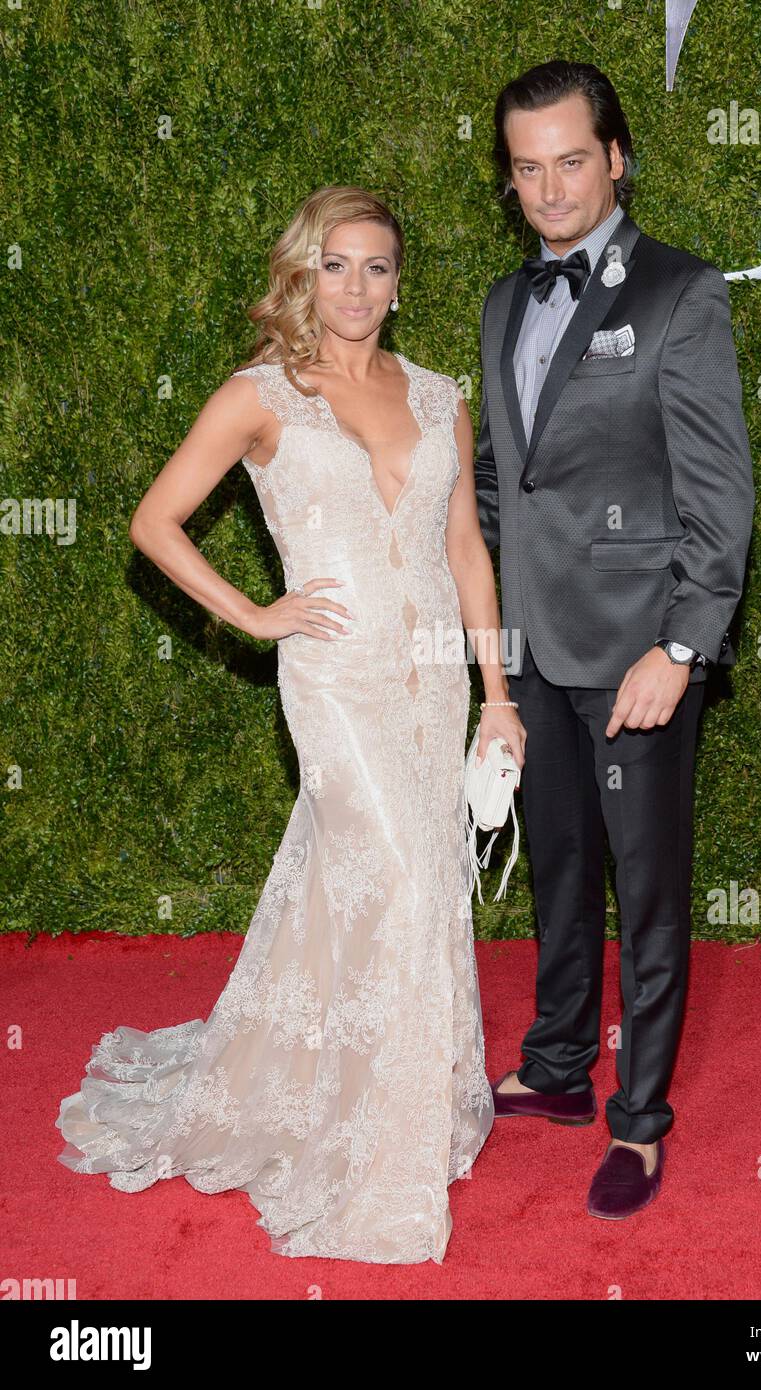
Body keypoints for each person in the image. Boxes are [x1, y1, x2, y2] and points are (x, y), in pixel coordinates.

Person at [55, 185, 526, 1265]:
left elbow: (465, 553)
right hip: (335, 682)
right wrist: (256, 614)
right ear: (303, 271)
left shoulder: (440, 394)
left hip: (431, 687)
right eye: (337, 264)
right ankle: (376, 1160)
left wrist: (498, 697)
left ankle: (364, 1085)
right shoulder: (260, 394)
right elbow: (153, 521)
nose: (358, 287)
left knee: (401, 888)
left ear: (401, 282)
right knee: (402, 885)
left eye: (379, 267)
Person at [475, 61, 755, 1218]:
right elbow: (501, 486)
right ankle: (555, 1069)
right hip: (535, 652)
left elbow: (720, 493)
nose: (548, 188)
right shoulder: (500, 301)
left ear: (617, 158)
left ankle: (639, 1120)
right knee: (556, 869)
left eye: (571, 161)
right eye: (526, 167)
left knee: (644, 889)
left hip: (639, 657)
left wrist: (680, 649)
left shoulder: (682, 294)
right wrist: (486, 642)